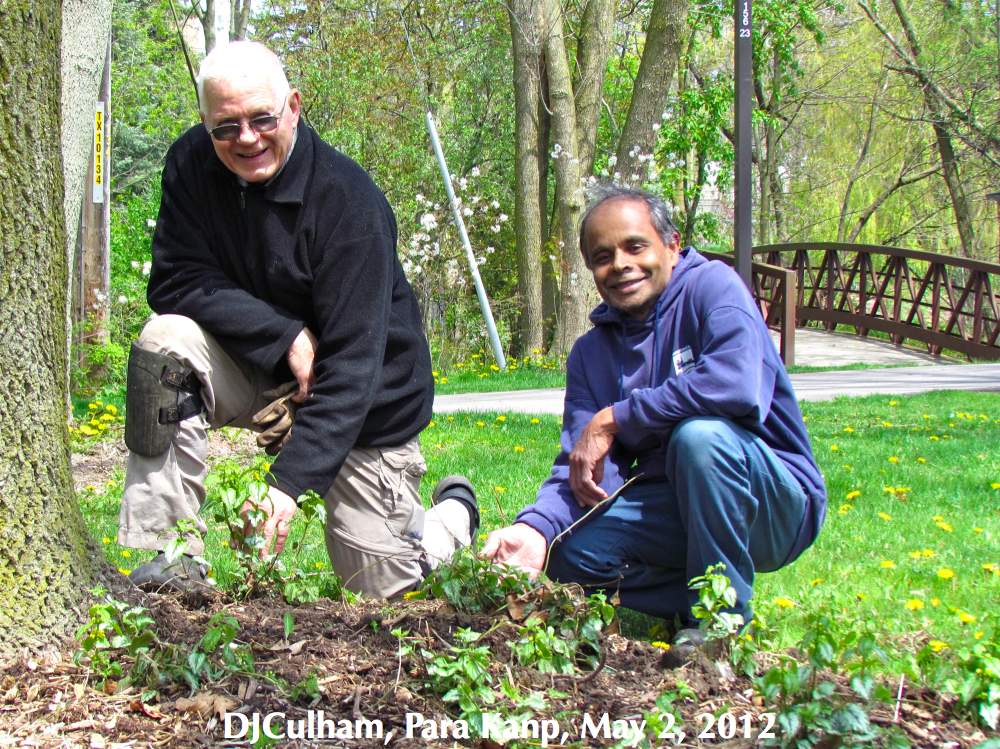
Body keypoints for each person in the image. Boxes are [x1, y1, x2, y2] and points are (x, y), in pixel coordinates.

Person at [121, 41, 477, 598]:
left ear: (294, 105)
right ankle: (167, 559)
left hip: (366, 407)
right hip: (259, 368)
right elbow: (173, 280)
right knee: (165, 342)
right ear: (205, 122)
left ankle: (451, 520)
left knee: (387, 596)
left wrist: (286, 487)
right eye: (225, 126)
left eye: (262, 118)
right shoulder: (192, 164)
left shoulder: (349, 203)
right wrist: (283, 335)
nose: (246, 139)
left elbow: (356, 370)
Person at [482, 184, 826, 647]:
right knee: (566, 554)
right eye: (603, 256)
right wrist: (536, 529)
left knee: (700, 438)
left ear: (672, 244)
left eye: (635, 246)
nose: (620, 263)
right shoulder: (590, 353)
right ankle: (697, 591)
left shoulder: (714, 288)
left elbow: (737, 386)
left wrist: (616, 417)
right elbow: (582, 467)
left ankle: (720, 625)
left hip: (773, 503)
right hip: (677, 506)